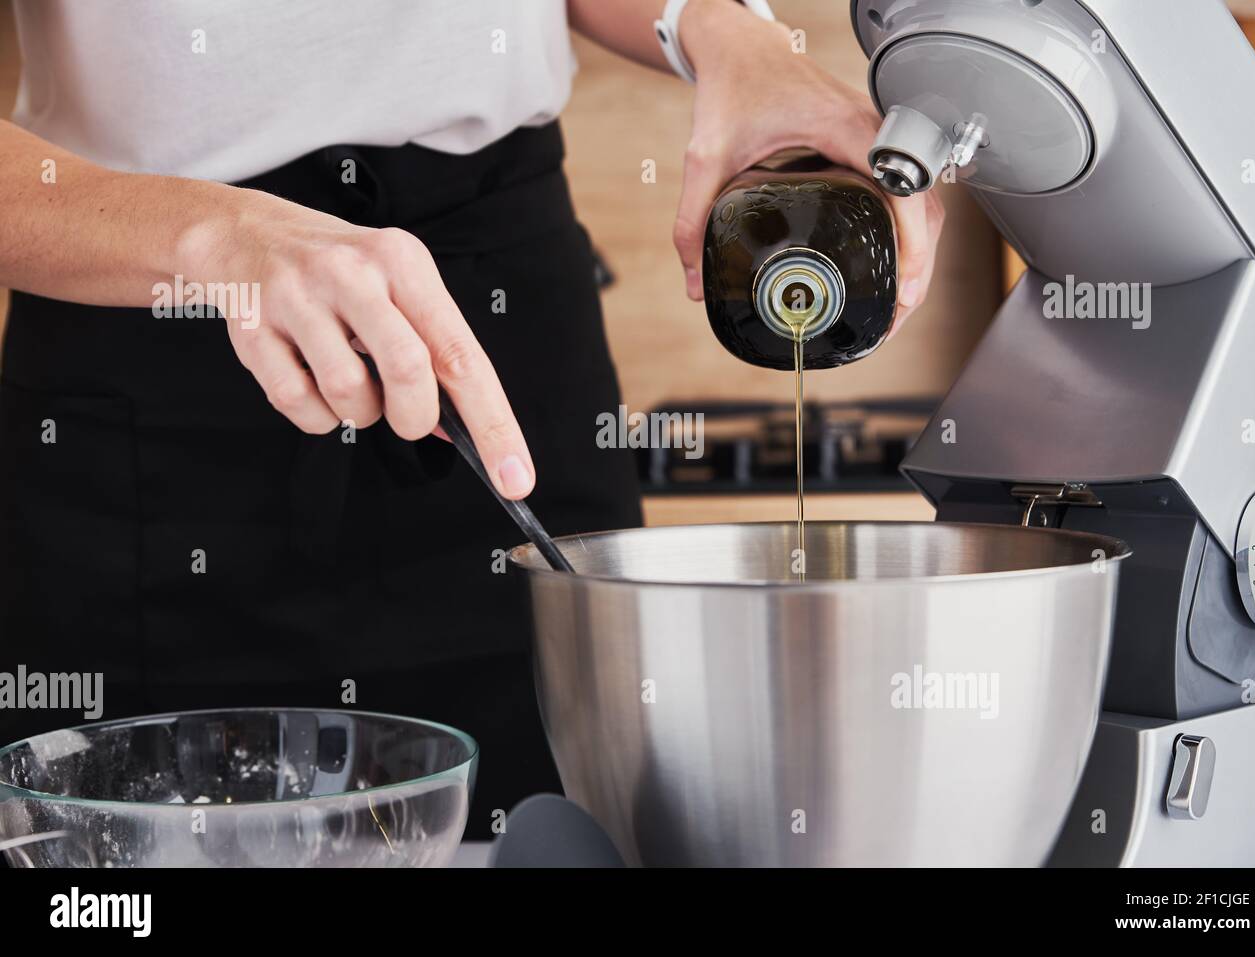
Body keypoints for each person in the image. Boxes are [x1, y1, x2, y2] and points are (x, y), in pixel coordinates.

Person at [0, 0, 942, 835]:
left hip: (498, 315)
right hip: (147, 326)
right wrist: (209, 238)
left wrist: (714, 23)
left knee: (561, 817)